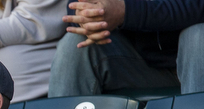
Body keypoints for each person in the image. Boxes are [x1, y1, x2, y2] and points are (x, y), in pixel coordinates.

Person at [48, 0, 204, 98]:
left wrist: (125, 11)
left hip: (194, 59)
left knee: (198, 36)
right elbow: (76, 4)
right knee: (75, 44)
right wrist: (90, 16)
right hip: (139, 66)